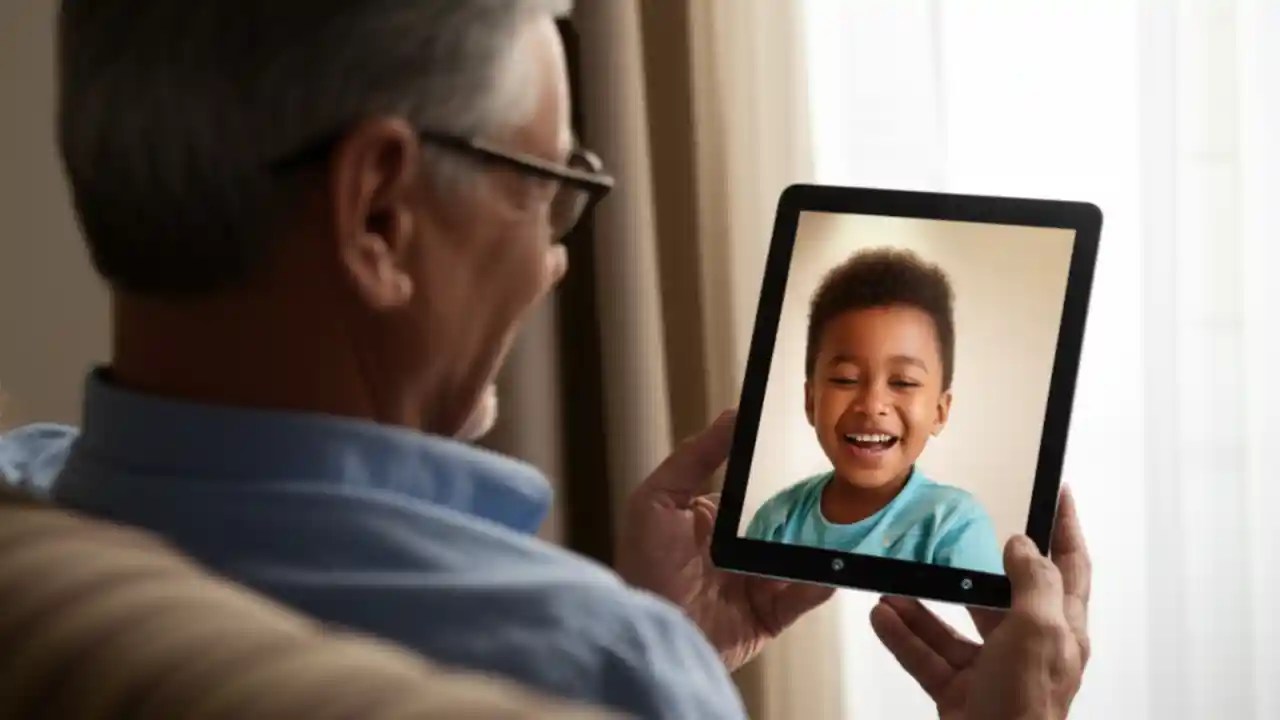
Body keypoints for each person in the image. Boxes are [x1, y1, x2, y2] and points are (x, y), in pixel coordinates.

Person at [7, 1, 1092, 717]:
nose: (551, 264)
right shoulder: (600, 670)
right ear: (379, 215)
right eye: (548, 190)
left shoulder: (23, 502)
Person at [745, 248, 1003, 574]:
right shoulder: (777, 522)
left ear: (940, 411)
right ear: (811, 401)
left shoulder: (953, 525)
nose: (872, 405)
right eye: (846, 379)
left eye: (904, 382)